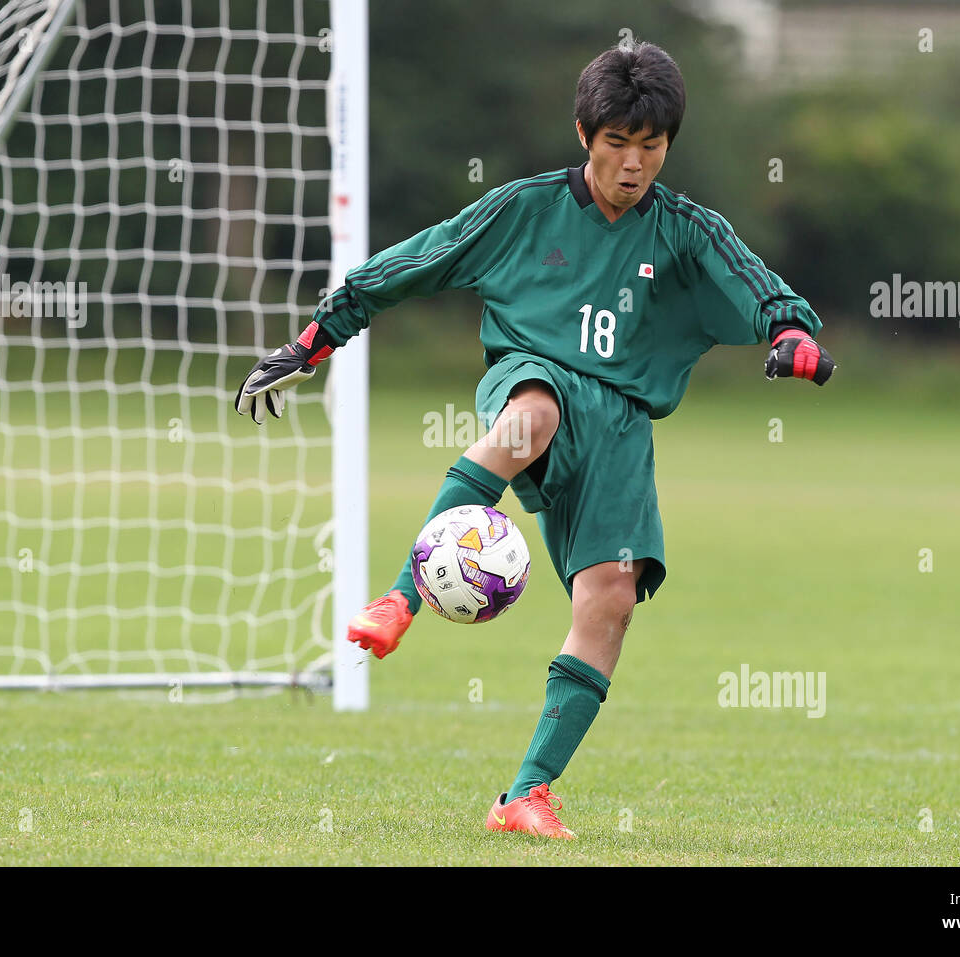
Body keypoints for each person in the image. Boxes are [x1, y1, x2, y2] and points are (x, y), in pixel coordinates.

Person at [236, 41, 835, 838]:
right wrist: (315, 340)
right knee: (532, 416)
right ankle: (400, 595)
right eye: (617, 143)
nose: (632, 164)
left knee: (611, 601)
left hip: (621, 425)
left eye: (650, 147)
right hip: (532, 374)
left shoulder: (688, 230)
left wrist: (791, 335)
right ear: (584, 133)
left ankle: (525, 793)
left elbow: (765, 291)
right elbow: (418, 260)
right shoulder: (522, 210)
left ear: (668, 146)